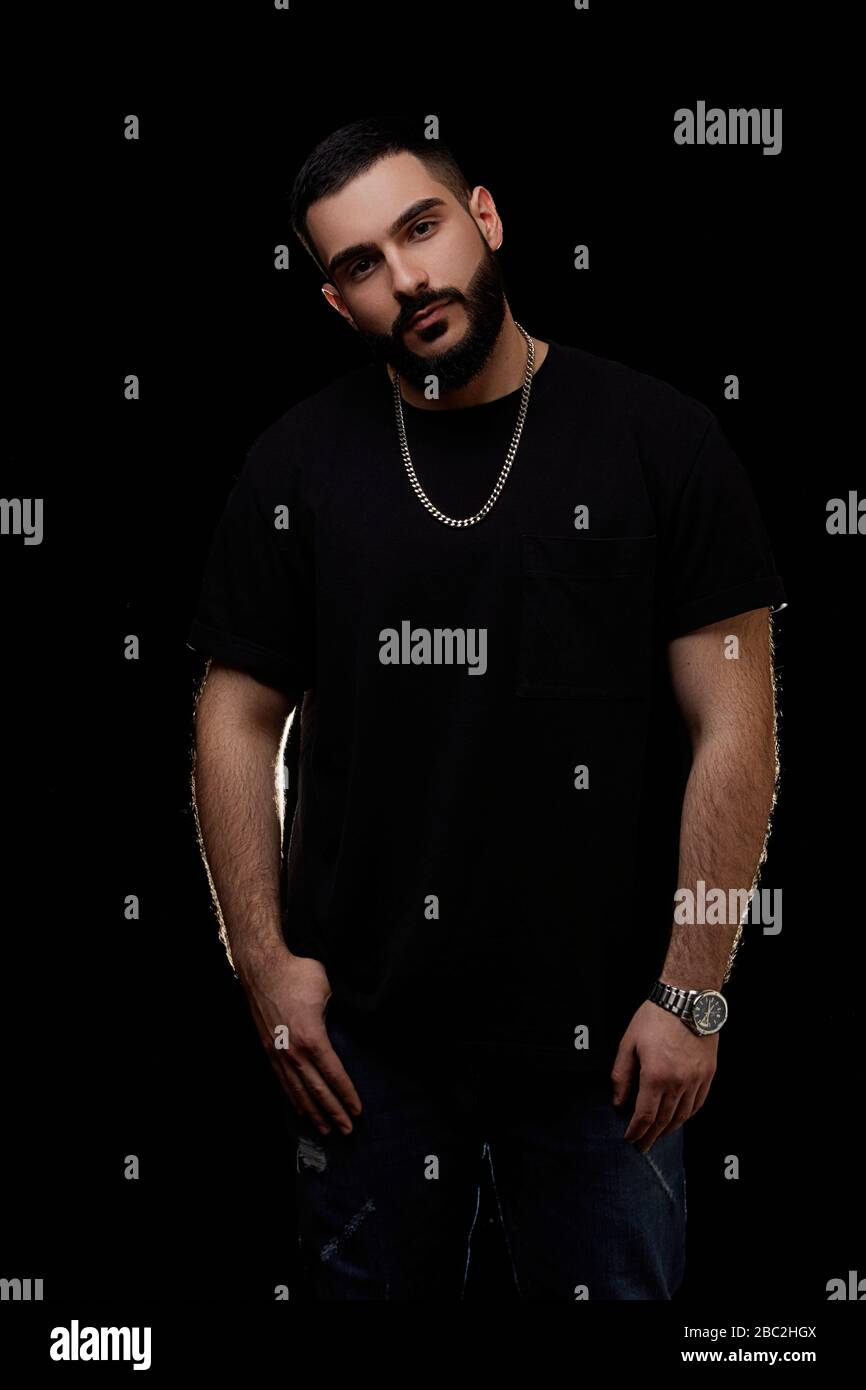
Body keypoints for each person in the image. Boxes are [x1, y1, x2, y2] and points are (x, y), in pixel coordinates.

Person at [187, 115, 787, 1299]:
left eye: (421, 228)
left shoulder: (661, 441)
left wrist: (693, 987)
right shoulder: (294, 465)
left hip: (611, 1046)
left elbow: (739, 725)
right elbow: (232, 716)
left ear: (486, 221)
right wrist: (262, 964)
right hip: (362, 1047)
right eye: (358, 263)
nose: (406, 276)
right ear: (334, 304)